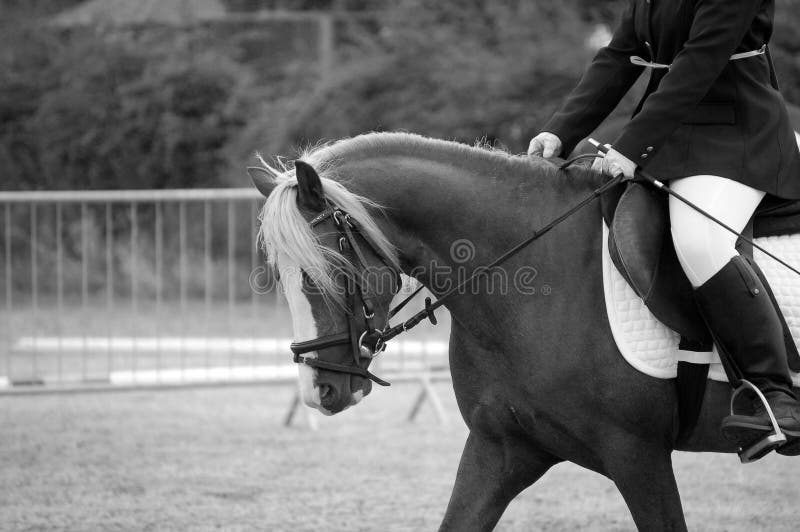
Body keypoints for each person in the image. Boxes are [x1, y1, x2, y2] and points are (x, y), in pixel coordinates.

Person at [529, 0, 800, 455]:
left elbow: (699, 64)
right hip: (670, 136)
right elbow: (618, 56)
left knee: (701, 241)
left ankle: (776, 394)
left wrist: (633, 145)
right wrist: (562, 130)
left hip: (736, 135)